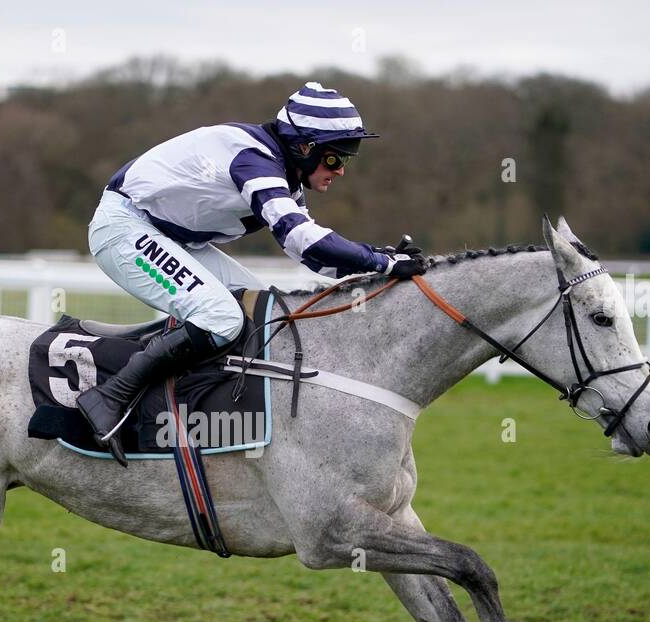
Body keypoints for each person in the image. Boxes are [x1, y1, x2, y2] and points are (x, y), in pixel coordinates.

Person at [77, 80, 428, 466]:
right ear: (304, 147)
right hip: (125, 228)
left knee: (262, 310)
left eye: (348, 158)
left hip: (164, 235)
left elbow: (314, 258)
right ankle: (110, 397)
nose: (341, 170)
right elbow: (303, 240)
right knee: (222, 318)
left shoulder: (280, 174)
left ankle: (203, 407)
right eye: (335, 158)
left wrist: (381, 259)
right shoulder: (253, 160)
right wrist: (381, 263)